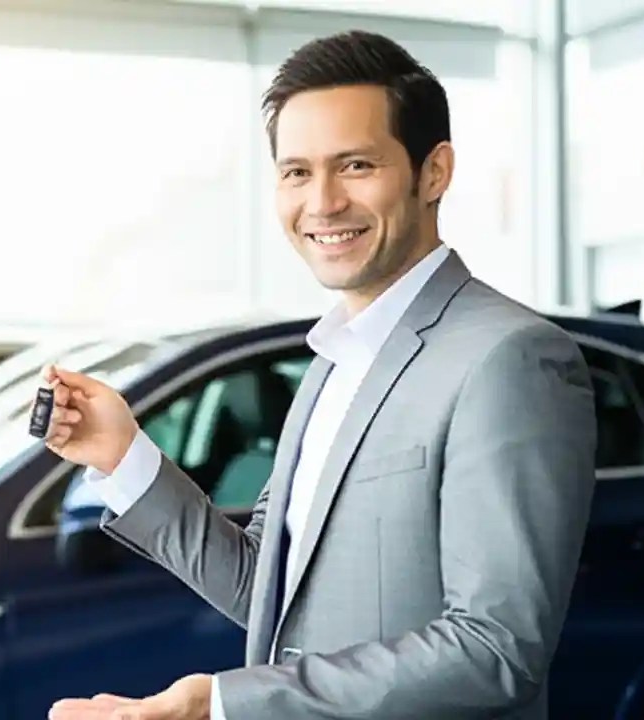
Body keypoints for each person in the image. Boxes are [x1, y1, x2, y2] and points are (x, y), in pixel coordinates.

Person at [39, 29, 597, 720]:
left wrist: (219, 704)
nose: (323, 202)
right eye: (297, 172)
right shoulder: (335, 360)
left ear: (434, 172)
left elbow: (496, 650)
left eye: (356, 165)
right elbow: (262, 588)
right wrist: (122, 457)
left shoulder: (510, 359)